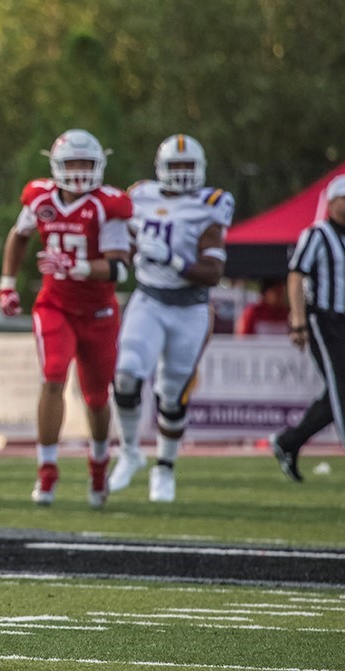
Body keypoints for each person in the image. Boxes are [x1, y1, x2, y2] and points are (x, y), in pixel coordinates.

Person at [0, 129, 132, 508]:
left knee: (96, 396)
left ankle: (100, 462)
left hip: (99, 312)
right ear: (56, 166)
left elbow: (121, 269)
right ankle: (47, 469)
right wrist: (7, 284)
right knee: (53, 375)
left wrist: (79, 266)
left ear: (100, 165)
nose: (79, 171)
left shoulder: (108, 205)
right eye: (72, 163)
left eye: (86, 163)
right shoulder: (40, 197)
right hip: (54, 304)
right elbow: (18, 234)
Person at [108, 134, 235, 502]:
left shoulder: (211, 203)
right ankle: (130, 452)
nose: (181, 174)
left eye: (187, 167)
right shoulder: (140, 195)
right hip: (148, 300)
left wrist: (172, 259)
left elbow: (213, 272)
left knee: (171, 394)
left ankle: (164, 468)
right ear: (161, 169)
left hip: (190, 307)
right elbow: (124, 235)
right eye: (174, 166)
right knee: (126, 374)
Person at [271, 174, 345, 486]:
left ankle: (288, 442)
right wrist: (298, 321)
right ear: (333, 201)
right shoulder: (317, 234)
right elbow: (296, 275)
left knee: (340, 394)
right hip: (325, 320)